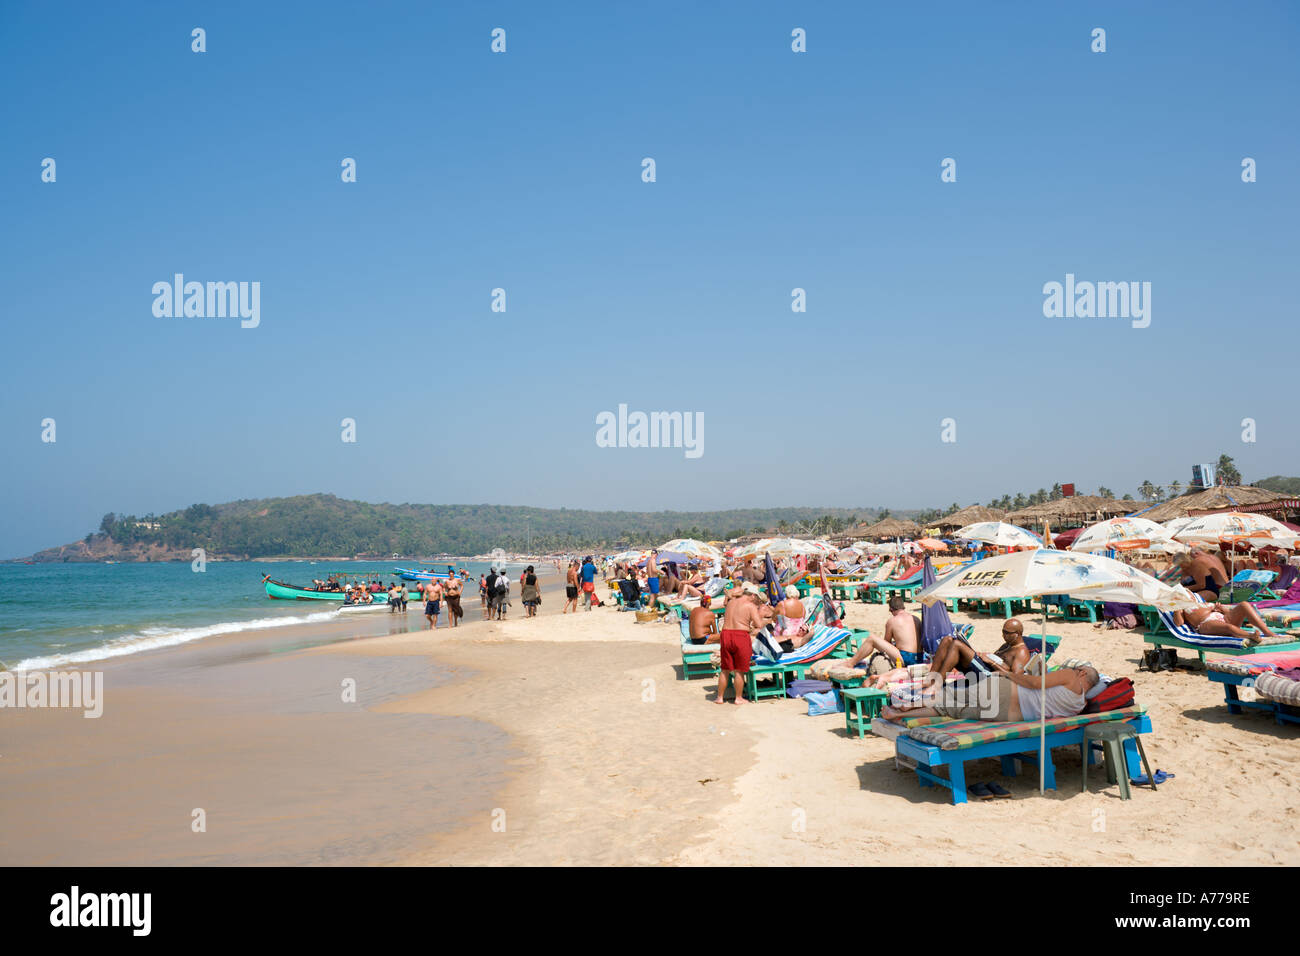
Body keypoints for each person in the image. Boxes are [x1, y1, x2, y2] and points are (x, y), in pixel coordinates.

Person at [884, 664, 1100, 723]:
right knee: (948, 708)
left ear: (1082, 672)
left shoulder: (1072, 676)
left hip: (1007, 692)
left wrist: (1007, 674)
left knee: (950, 693)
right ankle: (900, 715)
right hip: (1007, 716)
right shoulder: (1079, 705)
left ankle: (907, 704)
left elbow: (1035, 684)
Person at [716, 586, 770, 705]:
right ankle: (738, 698)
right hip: (740, 636)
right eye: (757, 600)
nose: (758, 603)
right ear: (753, 596)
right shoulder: (750, 606)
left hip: (725, 634)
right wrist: (768, 620)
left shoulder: (730, 602)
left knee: (725, 669)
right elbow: (759, 624)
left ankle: (719, 697)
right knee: (739, 670)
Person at [928, 619, 1031, 679]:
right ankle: (931, 679)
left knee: (956, 645)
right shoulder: (1008, 645)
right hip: (983, 667)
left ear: (1017, 634)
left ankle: (937, 685)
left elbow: (1015, 676)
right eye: (1003, 631)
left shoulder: (1021, 652)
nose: (1003, 635)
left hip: (989, 675)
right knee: (947, 640)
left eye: (1006, 633)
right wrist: (985, 656)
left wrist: (991, 662)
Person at [847, 595, 920, 668]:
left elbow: (887, 642)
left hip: (906, 658)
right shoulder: (916, 619)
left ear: (891, 609)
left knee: (871, 639)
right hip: (920, 658)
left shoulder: (892, 621)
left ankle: (850, 663)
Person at [1172, 602, 1276, 643]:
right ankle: (1251, 635)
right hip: (1206, 623)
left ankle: (1267, 632)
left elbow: (1229, 612)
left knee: (1244, 605)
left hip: (1223, 617)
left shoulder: (1200, 602)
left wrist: (1221, 608)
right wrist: (1177, 607)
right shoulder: (1182, 607)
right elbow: (1179, 623)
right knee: (1228, 627)